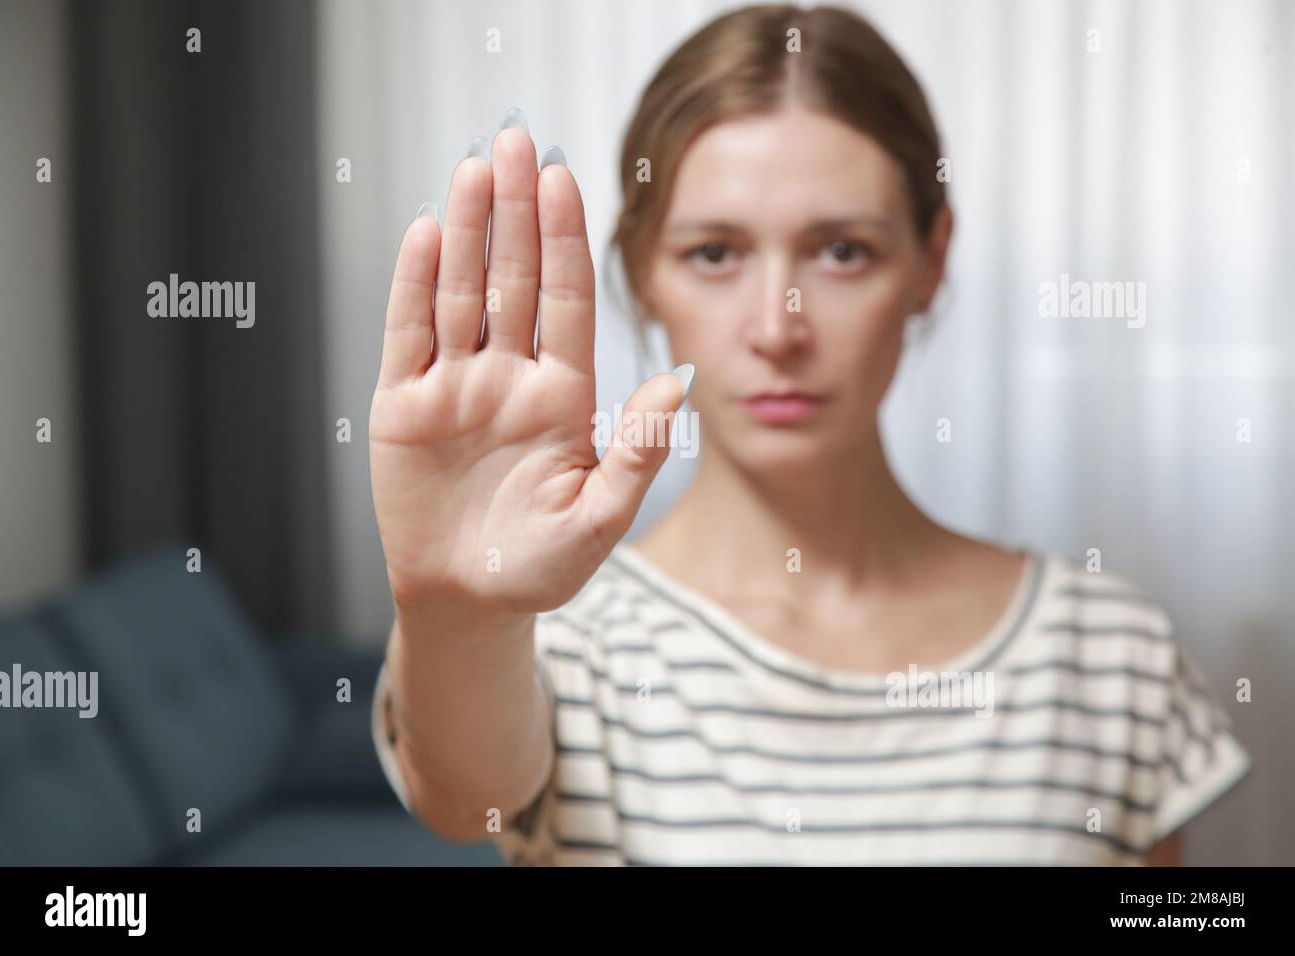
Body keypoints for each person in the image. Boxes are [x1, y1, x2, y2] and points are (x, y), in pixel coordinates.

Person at [367, 4, 1250, 865]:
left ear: (930, 260)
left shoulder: (1113, 655)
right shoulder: (556, 641)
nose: (778, 327)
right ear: (639, 273)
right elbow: (460, 795)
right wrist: (458, 610)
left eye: (842, 251)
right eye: (714, 253)